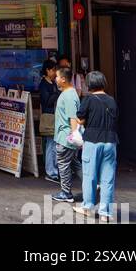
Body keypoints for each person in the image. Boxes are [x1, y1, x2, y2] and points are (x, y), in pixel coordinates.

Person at [74, 70, 119, 221]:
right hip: (110, 141)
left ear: (89, 84)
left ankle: (87, 207)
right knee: (108, 178)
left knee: (90, 176)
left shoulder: (88, 99)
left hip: (93, 141)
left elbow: (80, 120)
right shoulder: (111, 100)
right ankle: (106, 213)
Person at [50, 64, 81, 205]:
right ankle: (92, 184)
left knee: (63, 165)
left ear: (63, 79)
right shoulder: (70, 93)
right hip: (67, 137)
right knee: (74, 164)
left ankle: (66, 193)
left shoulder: (68, 96)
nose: (55, 79)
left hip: (65, 137)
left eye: (56, 76)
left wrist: (74, 135)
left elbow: (73, 117)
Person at [38, 59, 60, 183]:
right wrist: (57, 93)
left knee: (54, 144)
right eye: (53, 70)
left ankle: (54, 170)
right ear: (47, 70)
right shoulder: (44, 84)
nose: (55, 72)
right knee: (51, 144)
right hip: (49, 116)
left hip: (56, 116)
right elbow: (46, 101)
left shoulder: (53, 83)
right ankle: (51, 171)